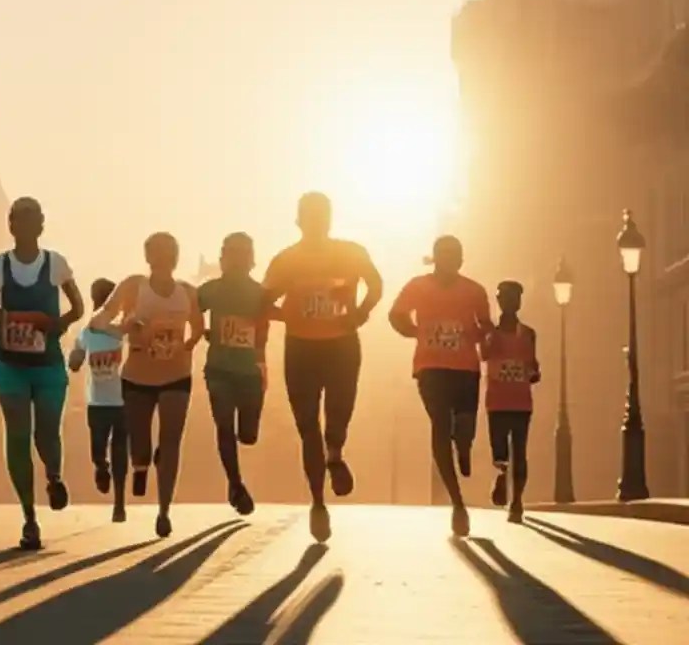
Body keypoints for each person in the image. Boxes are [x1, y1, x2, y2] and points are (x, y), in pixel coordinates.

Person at [262, 192, 382, 543]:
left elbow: (376, 284)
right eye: (310, 216)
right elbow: (263, 301)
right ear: (299, 221)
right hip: (301, 348)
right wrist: (289, 314)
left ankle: (335, 453)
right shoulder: (286, 260)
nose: (316, 222)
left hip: (341, 345)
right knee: (307, 425)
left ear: (329, 219)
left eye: (321, 216)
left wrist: (362, 311)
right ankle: (318, 500)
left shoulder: (352, 252)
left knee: (339, 412)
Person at [0, 197, 85, 550]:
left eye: (31, 220)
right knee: (18, 436)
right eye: (18, 220)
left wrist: (56, 324)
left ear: (41, 225)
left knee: (47, 432)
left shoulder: (55, 265)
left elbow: (78, 306)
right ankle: (28, 517)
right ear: (10, 226)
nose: (24, 226)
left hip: (49, 365)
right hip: (11, 366)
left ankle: (53, 476)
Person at [90, 232, 203, 538]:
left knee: (171, 441)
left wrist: (186, 345)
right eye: (159, 252)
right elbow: (99, 321)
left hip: (176, 376)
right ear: (149, 257)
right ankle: (141, 465)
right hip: (137, 378)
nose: (166, 258)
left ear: (176, 258)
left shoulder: (188, 293)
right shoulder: (133, 287)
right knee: (139, 446)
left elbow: (199, 328)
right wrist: (124, 327)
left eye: (171, 252)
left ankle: (164, 510)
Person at [389, 235, 493, 537]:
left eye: (456, 255)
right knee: (440, 424)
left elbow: (485, 325)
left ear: (461, 260)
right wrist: (414, 332)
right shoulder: (418, 286)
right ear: (436, 258)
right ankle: (457, 502)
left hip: (466, 369)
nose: (452, 260)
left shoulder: (474, 291)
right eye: (446, 255)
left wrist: (481, 334)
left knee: (464, 426)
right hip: (430, 368)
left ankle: (464, 446)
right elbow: (395, 315)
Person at [198, 232, 270, 516]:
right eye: (232, 254)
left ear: (251, 261)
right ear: (222, 260)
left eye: (243, 255)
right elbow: (189, 309)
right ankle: (235, 484)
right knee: (224, 426)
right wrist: (202, 332)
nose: (238, 261)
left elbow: (271, 317)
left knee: (248, 435)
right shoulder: (210, 290)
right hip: (219, 370)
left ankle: (235, 481)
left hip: (250, 371)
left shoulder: (260, 293)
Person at [69, 278, 130, 523]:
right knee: (106, 452)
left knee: (112, 450)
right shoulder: (90, 332)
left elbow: (75, 362)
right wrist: (74, 358)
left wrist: (74, 361)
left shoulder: (120, 332)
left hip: (116, 402)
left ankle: (119, 503)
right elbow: (76, 358)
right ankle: (108, 480)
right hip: (101, 402)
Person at [484, 280, 539, 524]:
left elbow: (533, 365)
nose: (509, 303)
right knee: (500, 452)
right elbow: (484, 355)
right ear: (499, 302)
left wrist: (533, 372)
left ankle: (517, 501)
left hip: (520, 401)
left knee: (520, 451)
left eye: (513, 298)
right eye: (504, 298)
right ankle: (502, 473)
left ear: (518, 303)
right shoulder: (491, 335)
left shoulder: (528, 334)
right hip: (496, 401)